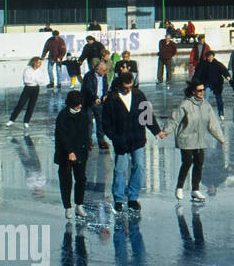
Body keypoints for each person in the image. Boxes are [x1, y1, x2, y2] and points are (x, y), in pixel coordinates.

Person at [102, 72, 166, 213]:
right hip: (121, 141)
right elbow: (106, 124)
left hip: (137, 139)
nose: (128, 90)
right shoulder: (111, 99)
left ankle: (133, 198)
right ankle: (118, 199)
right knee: (120, 170)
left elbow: (147, 116)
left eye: (131, 87)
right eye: (126, 88)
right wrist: (115, 138)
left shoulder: (139, 95)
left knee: (139, 167)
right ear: (120, 85)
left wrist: (156, 131)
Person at [165, 80, 225, 203]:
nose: (202, 92)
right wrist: (165, 131)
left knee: (199, 163)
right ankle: (180, 187)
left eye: (203, 90)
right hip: (186, 139)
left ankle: (195, 190)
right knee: (187, 162)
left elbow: (213, 123)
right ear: (193, 91)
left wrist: (220, 138)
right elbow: (174, 120)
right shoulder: (185, 104)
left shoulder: (206, 106)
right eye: (199, 90)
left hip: (200, 140)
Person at [54, 90, 91, 221]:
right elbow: (62, 136)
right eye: (77, 104)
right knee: (66, 180)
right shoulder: (63, 116)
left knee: (81, 179)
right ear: (70, 103)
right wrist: (70, 151)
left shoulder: (83, 114)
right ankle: (67, 207)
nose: (79, 106)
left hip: (80, 151)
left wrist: (88, 144)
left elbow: (86, 131)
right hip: (66, 154)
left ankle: (79, 205)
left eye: (80, 104)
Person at [81, 59, 111, 149]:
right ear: (97, 69)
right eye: (103, 70)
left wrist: (105, 95)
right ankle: (88, 142)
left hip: (99, 102)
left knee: (101, 121)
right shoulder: (89, 76)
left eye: (106, 70)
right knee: (89, 122)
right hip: (89, 102)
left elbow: (105, 86)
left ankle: (101, 141)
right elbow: (88, 88)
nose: (105, 72)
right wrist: (95, 97)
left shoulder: (104, 76)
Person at [7, 57, 45, 129]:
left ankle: (26, 122)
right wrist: (36, 80)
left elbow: (42, 81)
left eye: (40, 63)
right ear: (34, 62)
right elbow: (26, 80)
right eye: (39, 63)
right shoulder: (27, 70)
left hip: (36, 89)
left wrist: (35, 80)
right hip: (28, 88)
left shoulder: (41, 71)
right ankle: (11, 120)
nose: (40, 64)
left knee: (31, 106)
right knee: (20, 104)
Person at [196, 51, 230, 119]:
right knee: (205, 98)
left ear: (213, 57)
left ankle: (221, 113)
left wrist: (227, 76)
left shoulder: (217, 64)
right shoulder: (202, 64)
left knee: (219, 99)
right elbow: (197, 73)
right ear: (206, 57)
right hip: (207, 83)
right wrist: (195, 81)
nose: (210, 58)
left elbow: (224, 70)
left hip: (217, 84)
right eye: (209, 57)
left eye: (212, 57)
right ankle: (204, 113)